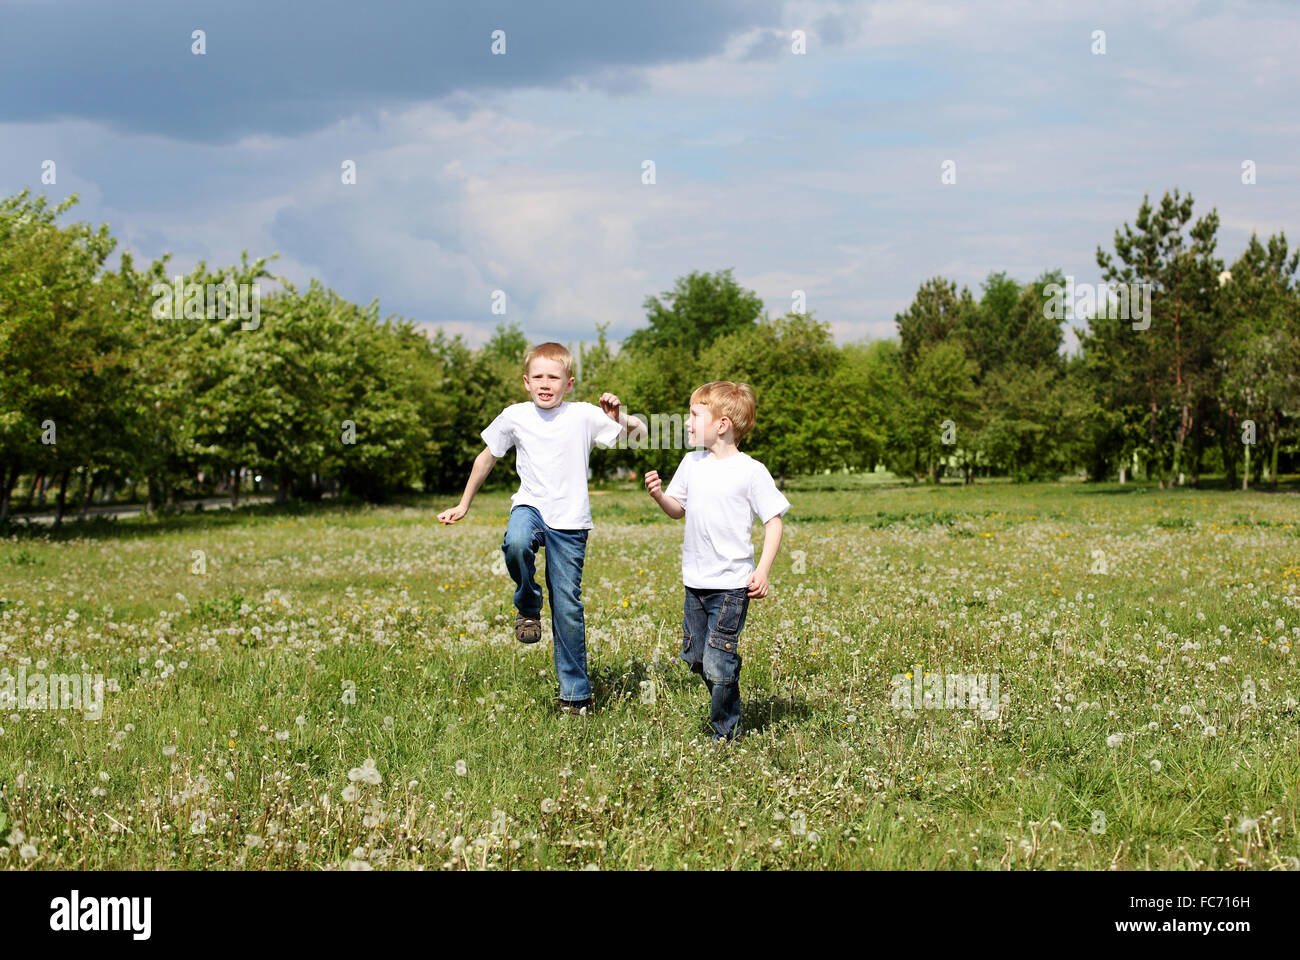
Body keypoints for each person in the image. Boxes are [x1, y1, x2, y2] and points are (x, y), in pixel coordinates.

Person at [438, 342, 645, 715]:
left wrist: (620, 416)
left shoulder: (583, 415)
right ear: (526, 382)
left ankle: (575, 697)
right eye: (538, 377)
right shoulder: (514, 416)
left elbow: (639, 432)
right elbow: (486, 458)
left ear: (569, 383)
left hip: (571, 521)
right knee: (516, 541)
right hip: (530, 506)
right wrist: (463, 503)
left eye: (554, 377)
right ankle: (529, 605)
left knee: (567, 606)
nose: (545, 383)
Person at [644, 381, 788, 741]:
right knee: (694, 658)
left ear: (722, 425)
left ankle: (727, 732)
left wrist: (763, 571)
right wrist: (660, 496)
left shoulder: (751, 471)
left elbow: (774, 522)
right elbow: (678, 510)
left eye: (694, 416)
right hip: (695, 582)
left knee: (716, 660)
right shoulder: (692, 463)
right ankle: (726, 672)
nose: (688, 423)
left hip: (731, 585)